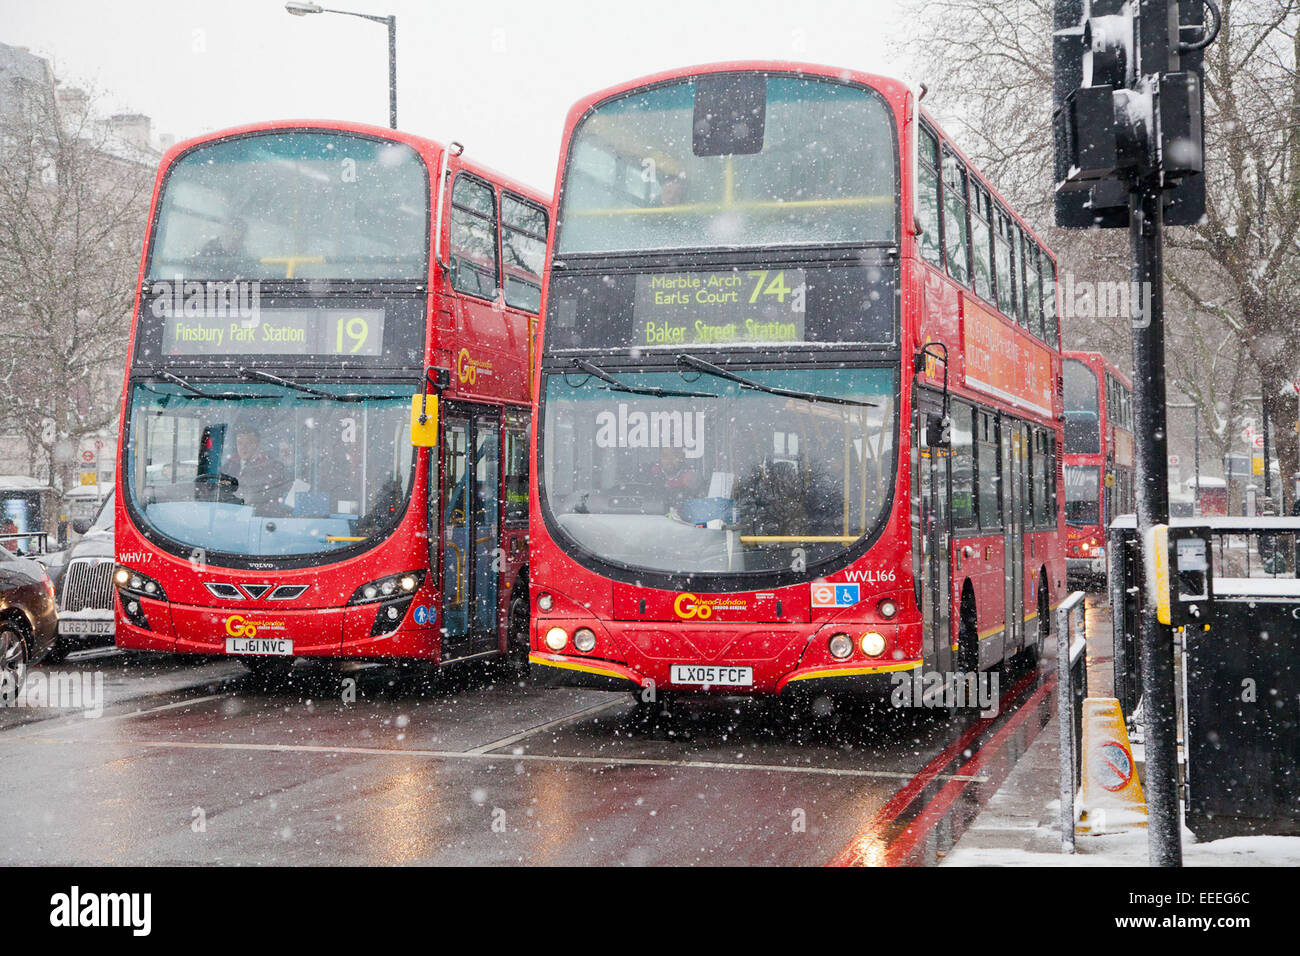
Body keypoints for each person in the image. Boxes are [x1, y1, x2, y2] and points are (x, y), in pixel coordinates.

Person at [225, 425, 290, 510]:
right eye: (240, 443)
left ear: (257, 444)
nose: (243, 447)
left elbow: (270, 496)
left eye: (248, 443)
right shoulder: (230, 465)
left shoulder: (271, 467)